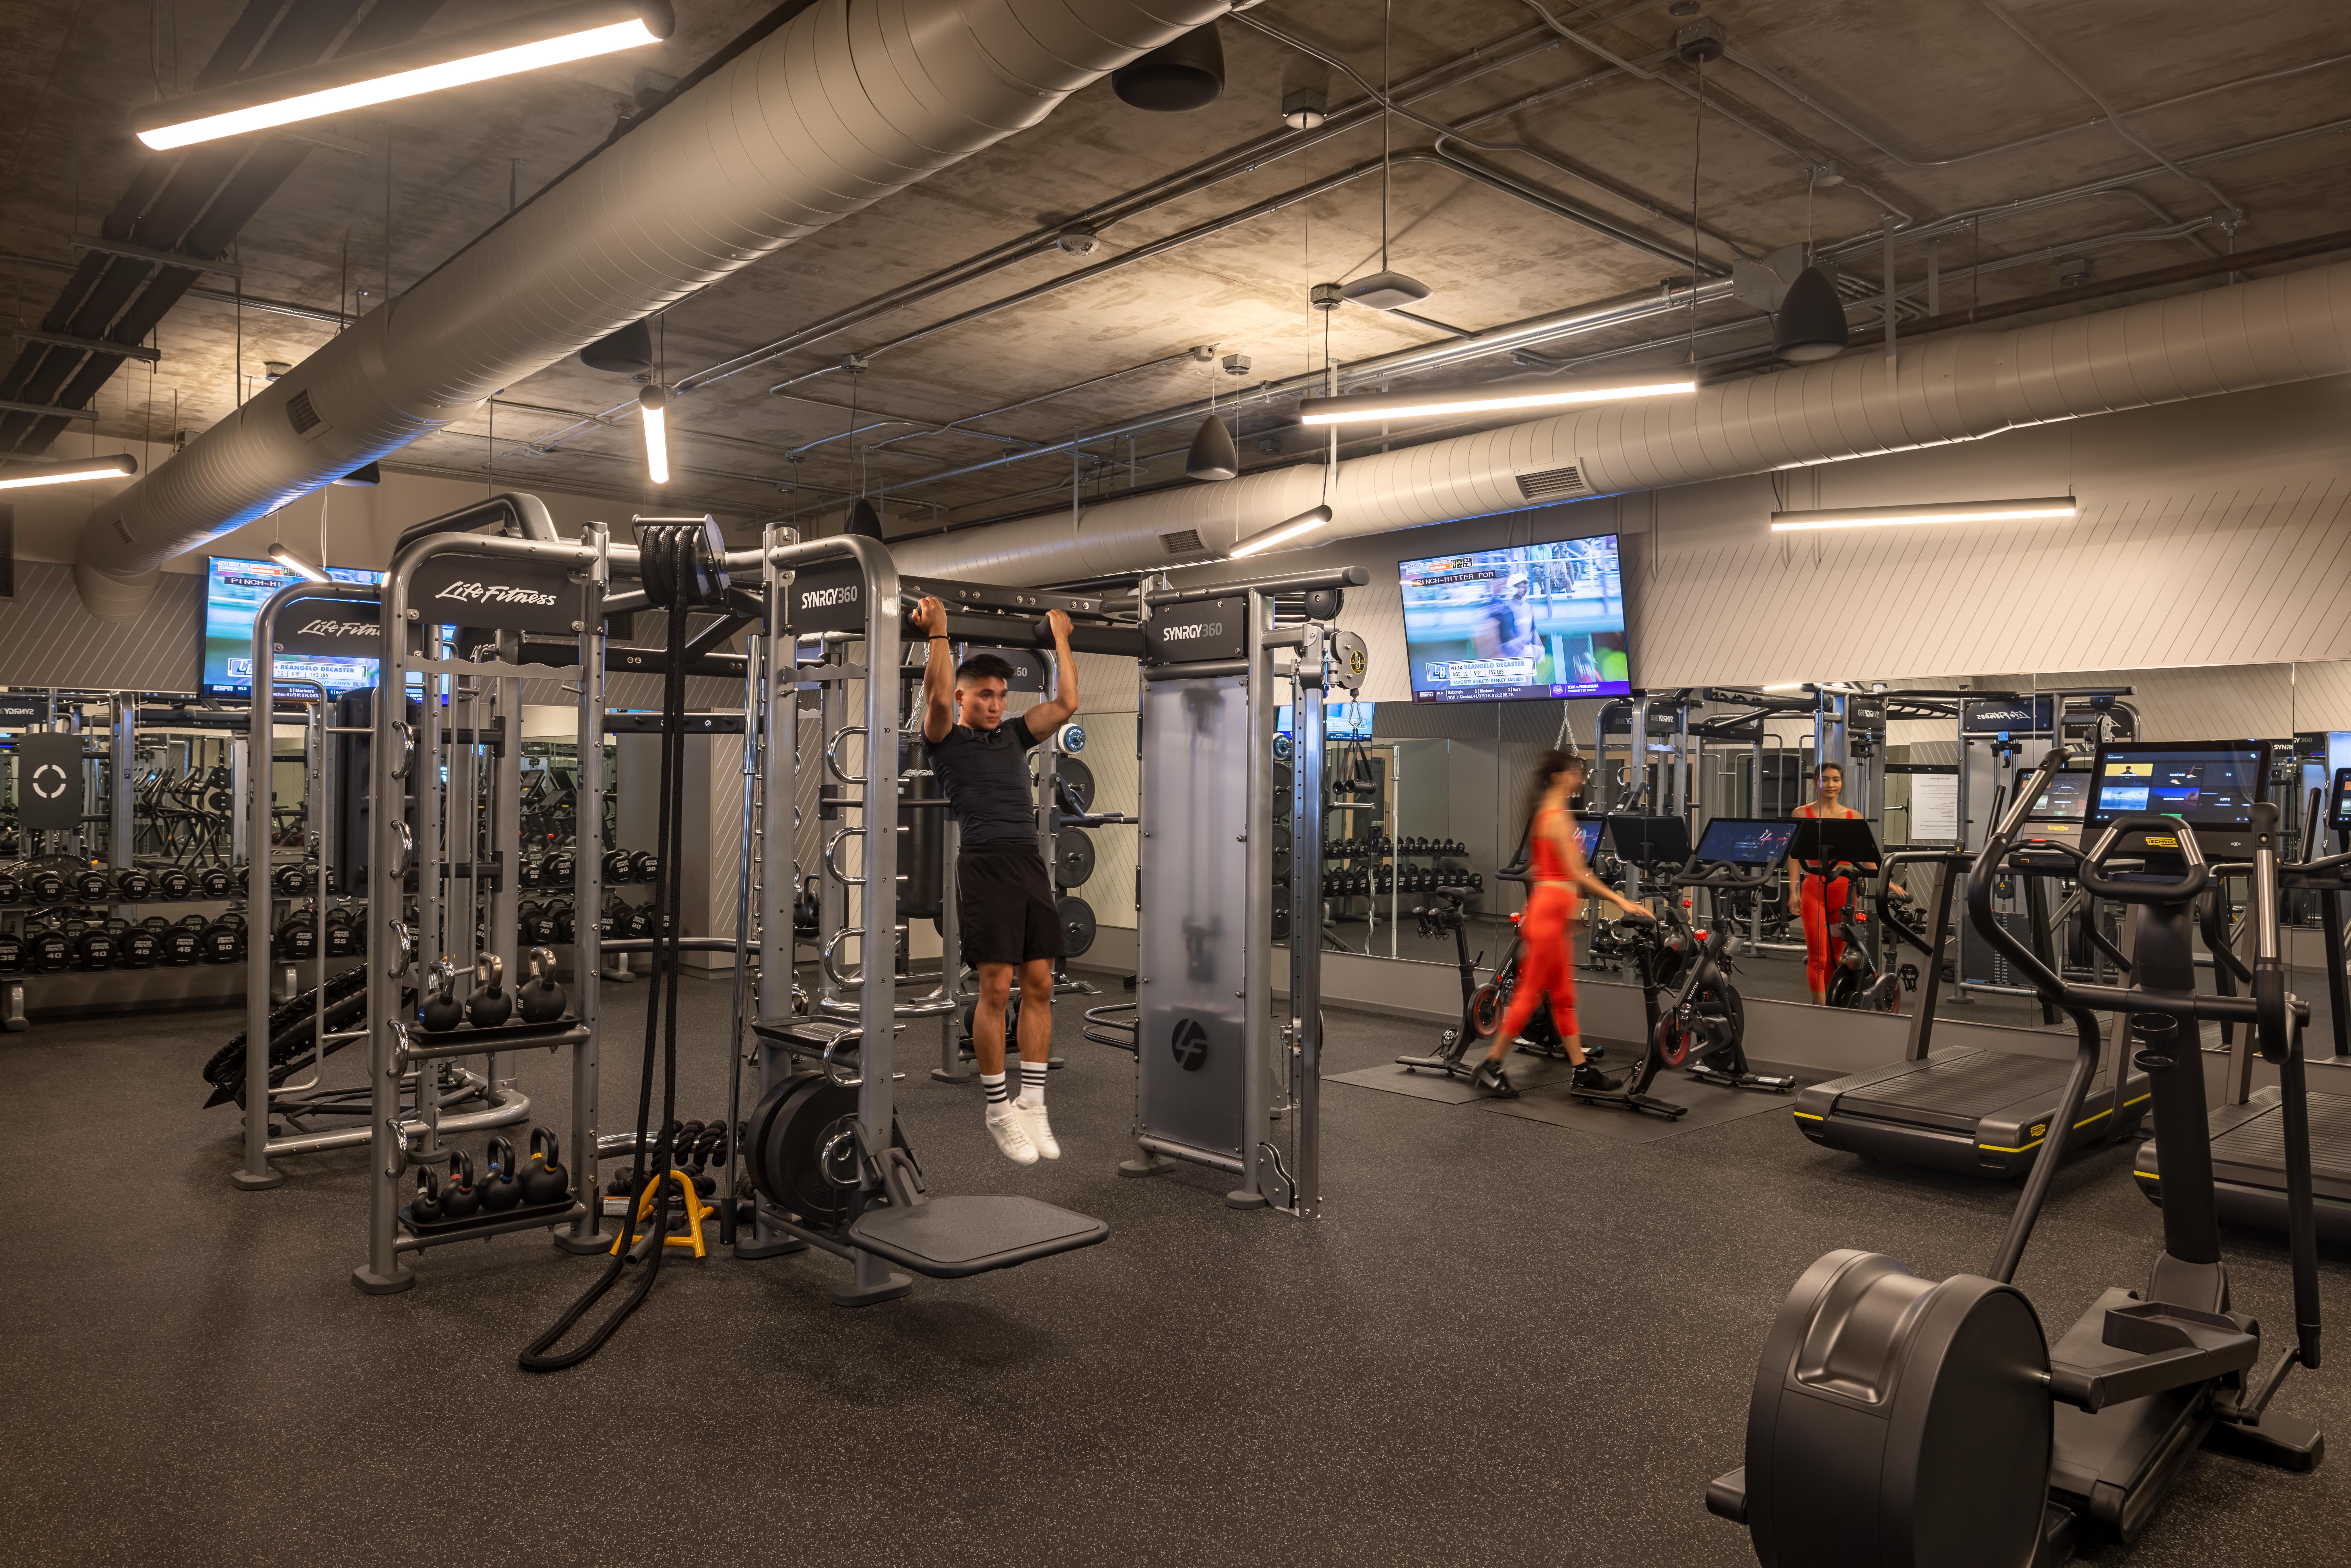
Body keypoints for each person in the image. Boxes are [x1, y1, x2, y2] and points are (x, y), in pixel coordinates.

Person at [917, 598, 1079, 1165]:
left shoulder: (1014, 735)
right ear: (964, 697)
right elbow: (935, 698)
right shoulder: (944, 739)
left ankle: (1032, 1102)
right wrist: (938, 634)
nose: (994, 704)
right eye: (983, 694)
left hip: (1028, 862)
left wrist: (1060, 637)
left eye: (1000, 696)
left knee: (1039, 982)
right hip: (984, 863)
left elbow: (1067, 703)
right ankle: (996, 1107)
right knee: (994, 986)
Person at [1475, 750, 1652, 1097]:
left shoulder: (1555, 814)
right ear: (1559, 776)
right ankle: (1491, 1065)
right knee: (1528, 997)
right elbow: (1576, 873)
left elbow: (1557, 873)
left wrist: (1564, 917)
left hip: (1553, 917)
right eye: (1575, 771)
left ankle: (1582, 1071)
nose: (1580, 777)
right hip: (1547, 917)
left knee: (1564, 997)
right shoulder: (1554, 817)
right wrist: (1620, 900)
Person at [1787, 762, 1900, 1005]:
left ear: (1842, 784)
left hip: (1845, 895)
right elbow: (1794, 856)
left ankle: (1833, 1003)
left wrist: (1886, 881)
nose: (1830, 785)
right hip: (1814, 892)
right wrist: (1793, 892)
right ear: (1816, 782)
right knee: (1819, 957)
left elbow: (1866, 857)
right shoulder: (1801, 814)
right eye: (1825, 779)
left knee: (1839, 956)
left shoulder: (1852, 817)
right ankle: (1820, 1008)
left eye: (1836, 780)